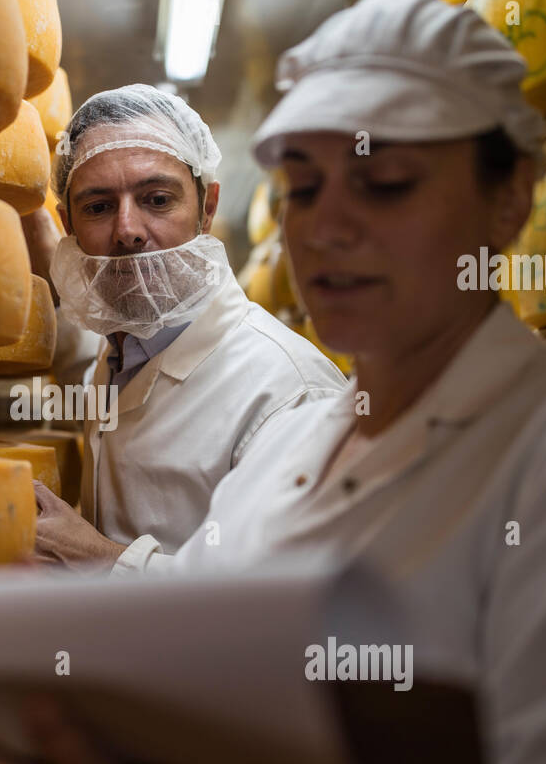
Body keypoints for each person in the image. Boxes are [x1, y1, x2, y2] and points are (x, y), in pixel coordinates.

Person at [0, 0, 546, 764]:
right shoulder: (300, 451)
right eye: (305, 186)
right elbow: (205, 677)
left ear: (510, 198)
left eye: (386, 184)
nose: (328, 228)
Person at [30, 84, 346, 565]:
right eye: (98, 207)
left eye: (157, 199)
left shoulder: (290, 394)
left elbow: (295, 597)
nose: (127, 230)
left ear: (207, 208)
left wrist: (98, 557)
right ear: (68, 227)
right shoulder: (122, 352)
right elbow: (123, 391)